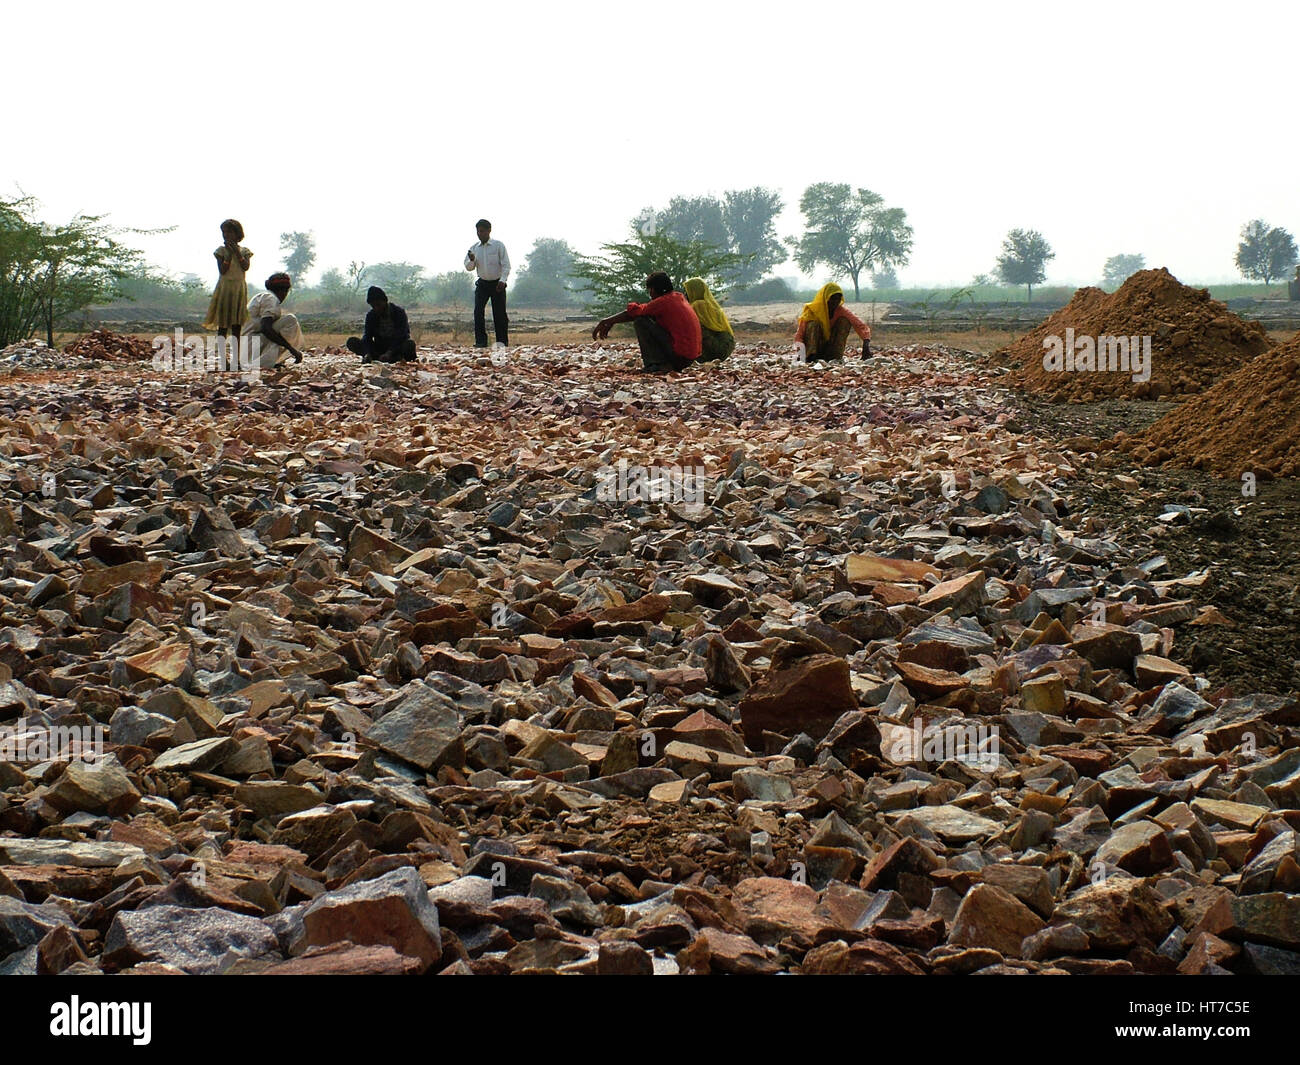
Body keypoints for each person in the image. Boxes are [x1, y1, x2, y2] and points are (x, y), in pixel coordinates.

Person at [592, 272, 702, 372]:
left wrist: (607, 321)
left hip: (680, 357)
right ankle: (663, 363)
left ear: (652, 290)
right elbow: (642, 311)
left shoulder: (663, 302)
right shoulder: (678, 297)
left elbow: (635, 313)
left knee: (641, 321)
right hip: (690, 358)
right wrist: (612, 321)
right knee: (645, 318)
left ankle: (654, 365)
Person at [202, 220, 252, 349]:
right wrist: (229, 254)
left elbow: (245, 266)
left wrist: (236, 252)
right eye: (224, 232)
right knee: (222, 326)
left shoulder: (245, 251)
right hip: (224, 289)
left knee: (237, 326)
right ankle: (223, 359)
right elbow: (223, 271)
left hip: (238, 289)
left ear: (237, 234)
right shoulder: (221, 251)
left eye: (229, 232)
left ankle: (236, 358)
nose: (226, 235)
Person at [795, 282, 871, 360]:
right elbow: (799, 335)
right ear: (826, 298)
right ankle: (811, 356)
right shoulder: (812, 311)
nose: (835, 302)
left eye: (838, 299)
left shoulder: (840, 310)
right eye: (833, 298)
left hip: (829, 348)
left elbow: (859, 324)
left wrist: (866, 343)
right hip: (813, 349)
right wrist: (801, 353)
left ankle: (834, 356)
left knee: (844, 321)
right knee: (813, 324)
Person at [242, 273, 304, 368]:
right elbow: (266, 329)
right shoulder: (270, 298)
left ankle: (267, 360)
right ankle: (263, 362)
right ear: (284, 291)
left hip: (247, 345)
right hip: (251, 345)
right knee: (290, 320)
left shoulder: (264, 296)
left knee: (279, 329)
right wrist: (291, 349)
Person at [464, 219, 510, 347]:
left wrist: (502, 281)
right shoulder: (474, 248)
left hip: (497, 284)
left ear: (489, 230)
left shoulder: (498, 245)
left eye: (482, 231)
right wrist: (472, 260)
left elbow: (506, 266)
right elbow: (469, 267)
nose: (479, 234)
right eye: (478, 231)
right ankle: (480, 342)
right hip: (482, 284)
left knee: (499, 314)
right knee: (478, 312)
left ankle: (502, 342)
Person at [346, 286, 416, 363]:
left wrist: (389, 353)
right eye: (373, 306)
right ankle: (376, 358)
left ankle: (392, 358)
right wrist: (367, 353)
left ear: (385, 301)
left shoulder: (398, 312)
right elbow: (367, 337)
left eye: (378, 305)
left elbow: (402, 335)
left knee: (409, 344)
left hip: (397, 347)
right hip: (379, 348)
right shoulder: (371, 315)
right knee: (352, 341)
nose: (376, 308)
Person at [683, 277, 734, 362]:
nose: (685, 294)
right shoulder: (711, 304)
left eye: (688, 291)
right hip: (727, 345)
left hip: (716, 347)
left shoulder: (697, 305)